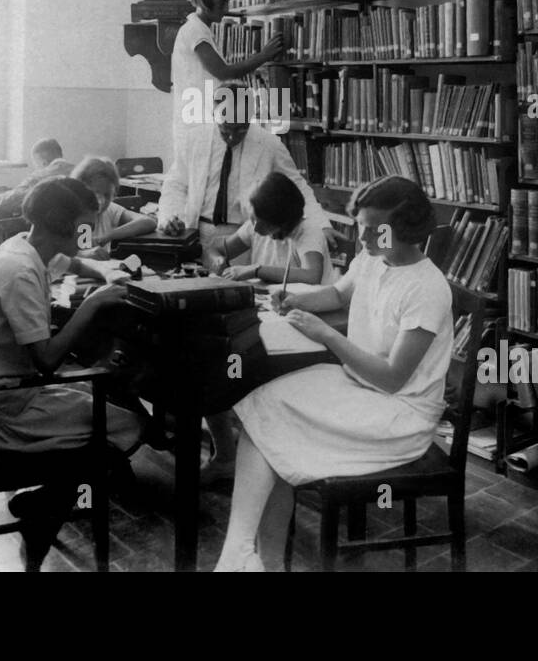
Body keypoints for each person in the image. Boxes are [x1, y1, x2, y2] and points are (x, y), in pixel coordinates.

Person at [214, 176, 457, 572]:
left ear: (405, 229)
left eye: (369, 229)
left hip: (399, 413)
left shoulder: (428, 288)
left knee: (272, 426)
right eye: (358, 225)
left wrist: (325, 334)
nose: (358, 238)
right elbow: (341, 294)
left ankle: (246, 557)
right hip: (359, 386)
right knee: (263, 402)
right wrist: (296, 298)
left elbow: (393, 378)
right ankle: (252, 556)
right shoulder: (373, 258)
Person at [0, 176, 144, 562]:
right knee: (128, 424)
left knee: (104, 399)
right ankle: (52, 499)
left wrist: (103, 273)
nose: (89, 234)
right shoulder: (20, 271)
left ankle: (52, 495)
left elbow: (70, 260)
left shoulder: (21, 247)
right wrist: (93, 305)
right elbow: (47, 360)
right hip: (0, 412)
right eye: (85, 226)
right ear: (63, 224)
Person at [157, 83, 333, 261]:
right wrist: (170, 215)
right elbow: (176, 184)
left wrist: (321, 225)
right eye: (225, 130)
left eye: (240, 129)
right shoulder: (194, 139)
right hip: (197, 233)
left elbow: (297, 188)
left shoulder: (269, 144)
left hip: (242, 240)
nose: (232, 137)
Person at [171, 0, 284, 143]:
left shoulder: (201, 30)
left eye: (227, 2)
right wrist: (264, 55)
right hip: (198, 121)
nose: (226, 9)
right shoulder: (195, 30)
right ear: (204, 2)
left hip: (203, 118)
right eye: (221, 3)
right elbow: (223, 72)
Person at [213, 171, 338, 286]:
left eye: (265, 224)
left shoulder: (308, 231)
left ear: (283, 219)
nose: (255, 228)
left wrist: (256, 269)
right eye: (253, 219)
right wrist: (217, 260)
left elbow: (311, 276)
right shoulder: (255, 225)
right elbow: (214, 249)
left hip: (310, 306)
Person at [69, 156, 156, 259]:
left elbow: (148, 222)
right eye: (95, 193)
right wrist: (84, 254)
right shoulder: (68, 213)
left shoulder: (110, 210)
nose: (101, 201)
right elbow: (52, 255)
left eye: (106, 195)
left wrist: (108, 236)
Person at [0, 138, 76, 217]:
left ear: (43, 162)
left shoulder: (38, 176)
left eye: (35, 163)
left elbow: (5, 203)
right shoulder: (81, 172)